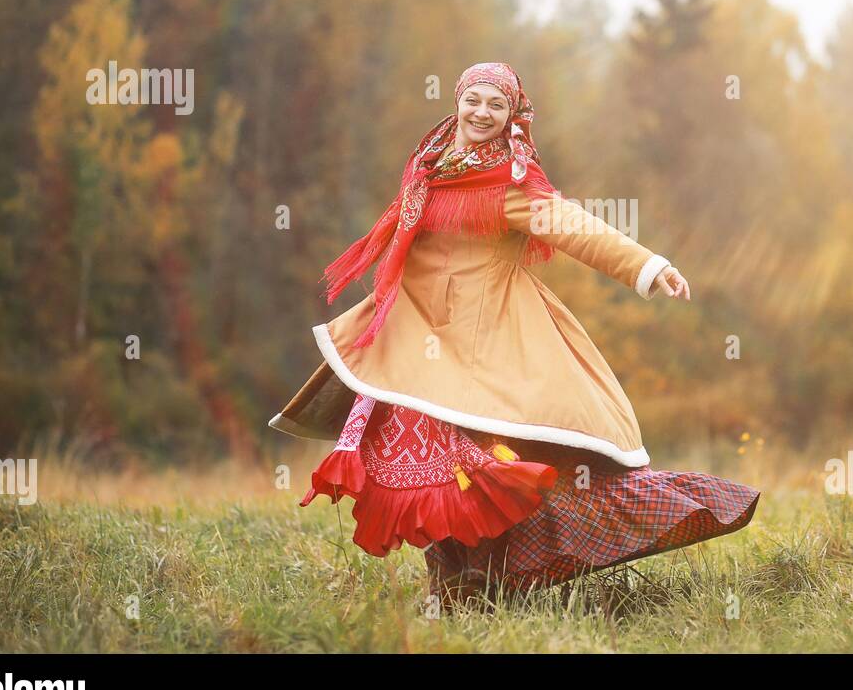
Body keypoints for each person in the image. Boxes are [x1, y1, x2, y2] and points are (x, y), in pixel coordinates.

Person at [269, 62, 760, 604]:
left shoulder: (511, 184)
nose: (482, 113)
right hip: (418, 339)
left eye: (496, 105)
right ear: (457, 101)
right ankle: (449, 586)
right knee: (433, 473)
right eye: (474, 100)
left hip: (486, 340)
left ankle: (487, 583)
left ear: (511, 116)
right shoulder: (428, 164)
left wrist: (647, 267)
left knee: (486, 466)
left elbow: (574, 226)